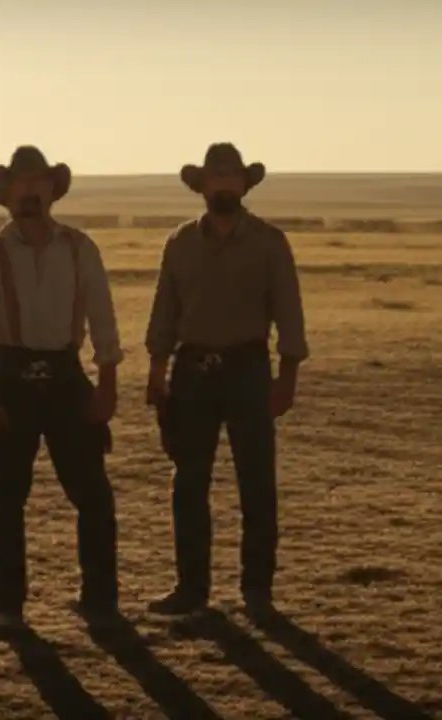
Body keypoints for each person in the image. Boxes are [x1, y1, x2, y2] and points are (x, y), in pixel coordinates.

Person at [0, 146, 124, 633]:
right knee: (7, 498)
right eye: (20, 183)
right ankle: (8, 607)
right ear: (7, 193)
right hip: (7, 376)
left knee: (93, 493)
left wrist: (107, 384)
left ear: (53, 190)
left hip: (66, 376)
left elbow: (103, 319)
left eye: (38, 182)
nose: (30, 191)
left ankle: (100, 601)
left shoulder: (80, 248)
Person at [144, 142, 309, 618]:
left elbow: (289, 312)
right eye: (215, 177)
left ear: (244, 183)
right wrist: (157, 373)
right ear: (202, 186)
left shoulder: (270, 243)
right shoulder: (179, 243)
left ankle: (257, 592)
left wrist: (288, 374)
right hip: (191, 372)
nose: (223, 184)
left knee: (256, 482)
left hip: (248, 370)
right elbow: (164, 311)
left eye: (231, 176)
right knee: (188, 484)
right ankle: (190, 590)